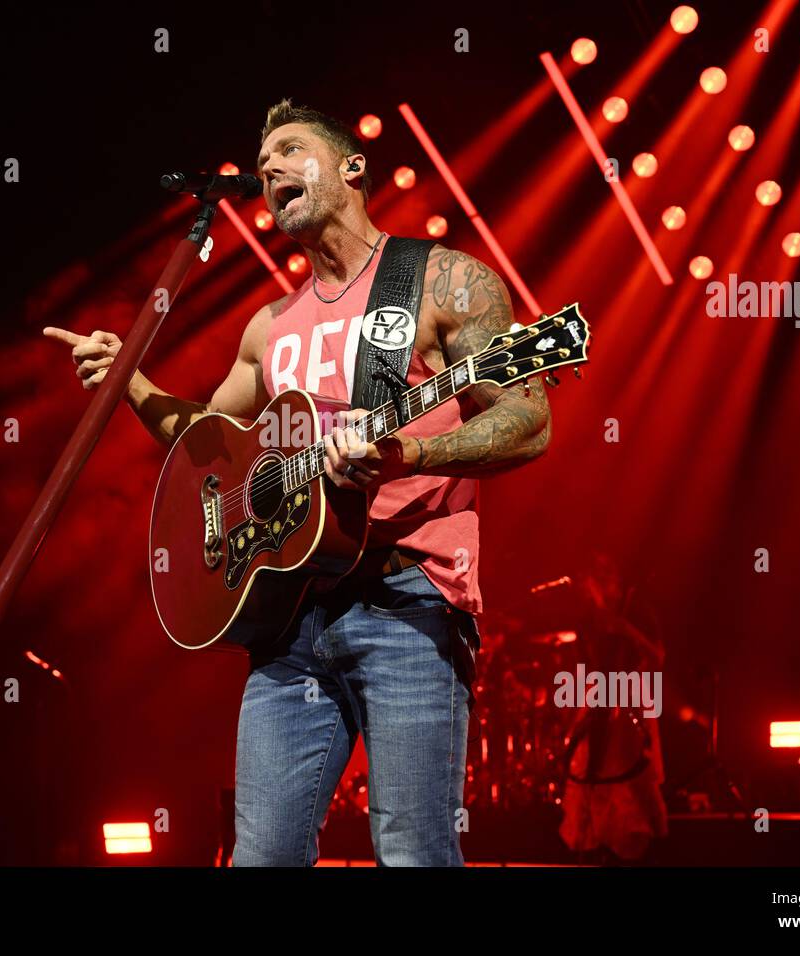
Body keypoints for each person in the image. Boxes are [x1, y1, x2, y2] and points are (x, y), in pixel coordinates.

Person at [45, 100, 552, 865]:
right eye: (263, 156)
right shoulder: (268, 326)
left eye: (289, 148)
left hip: (407, 602)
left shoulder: (442, 281)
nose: (270, 165)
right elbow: (208, 447)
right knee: (261, 857)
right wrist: (131, 383)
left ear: (353, 169)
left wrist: (408, 458)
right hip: (288, 617)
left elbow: (529, 419)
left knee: (411, 851)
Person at [558, 552, 668, 862]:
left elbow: (658, 657)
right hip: (598, 701)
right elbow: (583, 667)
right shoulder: (588, 617)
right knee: (590, 770)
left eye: (591, 584)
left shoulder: (635, 608)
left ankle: (635, 845)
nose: (588, 592)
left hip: (631, 699)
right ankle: (597, 843)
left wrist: (625, 629)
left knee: (629, 771)